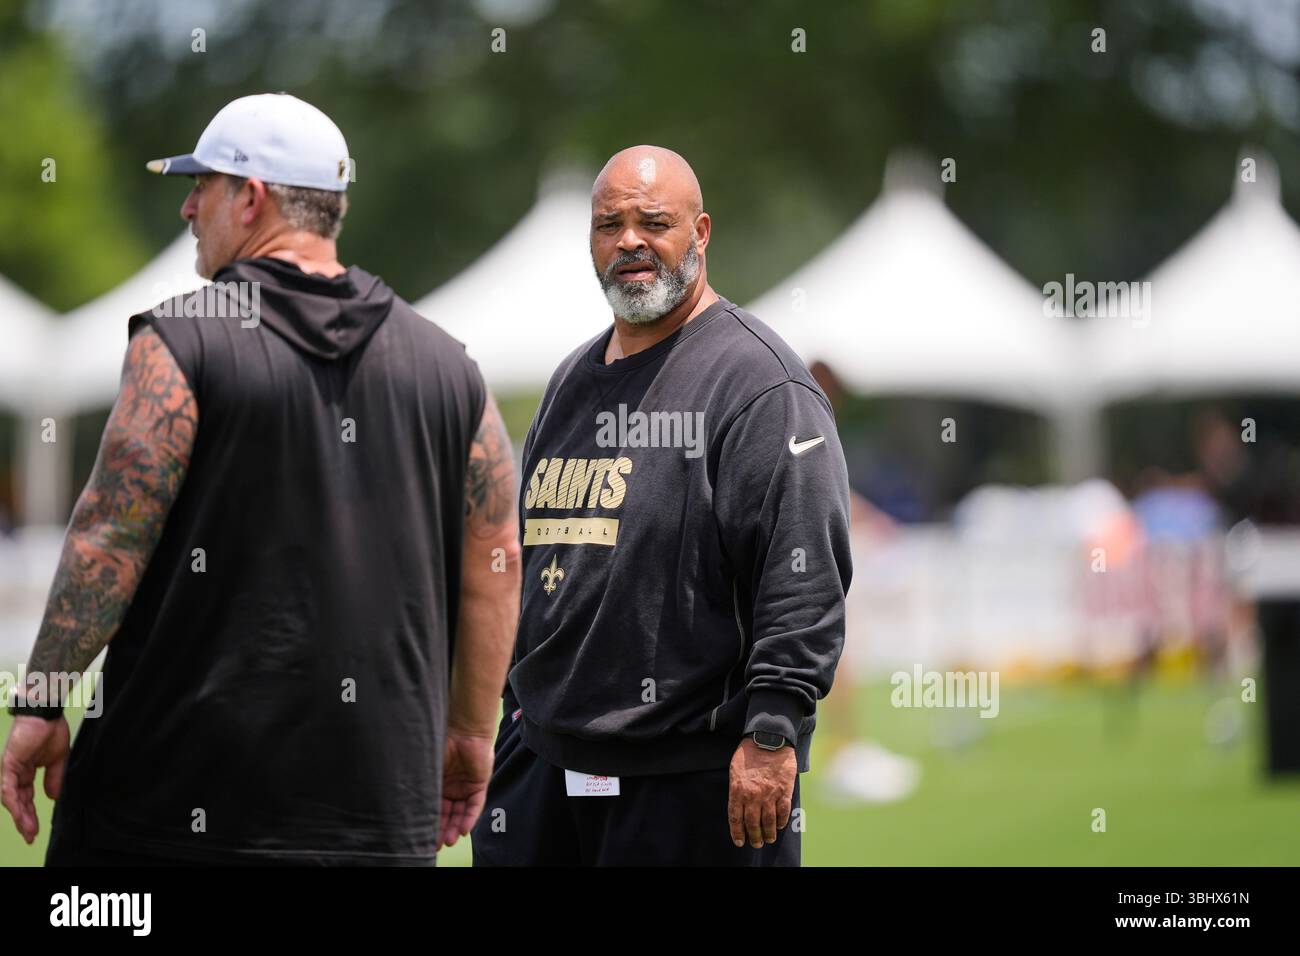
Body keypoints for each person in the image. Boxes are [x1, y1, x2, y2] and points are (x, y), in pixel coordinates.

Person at [0, 93, 520, 865]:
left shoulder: (180, 342)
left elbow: (109, 534)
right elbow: (496, 559)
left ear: (251, 197)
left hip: (170, 809)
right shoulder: (447, 366)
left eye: (200, 185)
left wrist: (41, 701)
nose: (185, 206)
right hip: (376, 815)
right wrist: (473, 733)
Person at [471, 146, 853, 866]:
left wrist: (772, 732)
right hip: (544, 771)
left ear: (701, 233)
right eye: (608, 224)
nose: (629, 242)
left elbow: (802, 577)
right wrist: (513, 723)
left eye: (654, 222)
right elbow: (533, 561)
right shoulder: (569, 383)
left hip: (689, 780)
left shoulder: (759, 385)